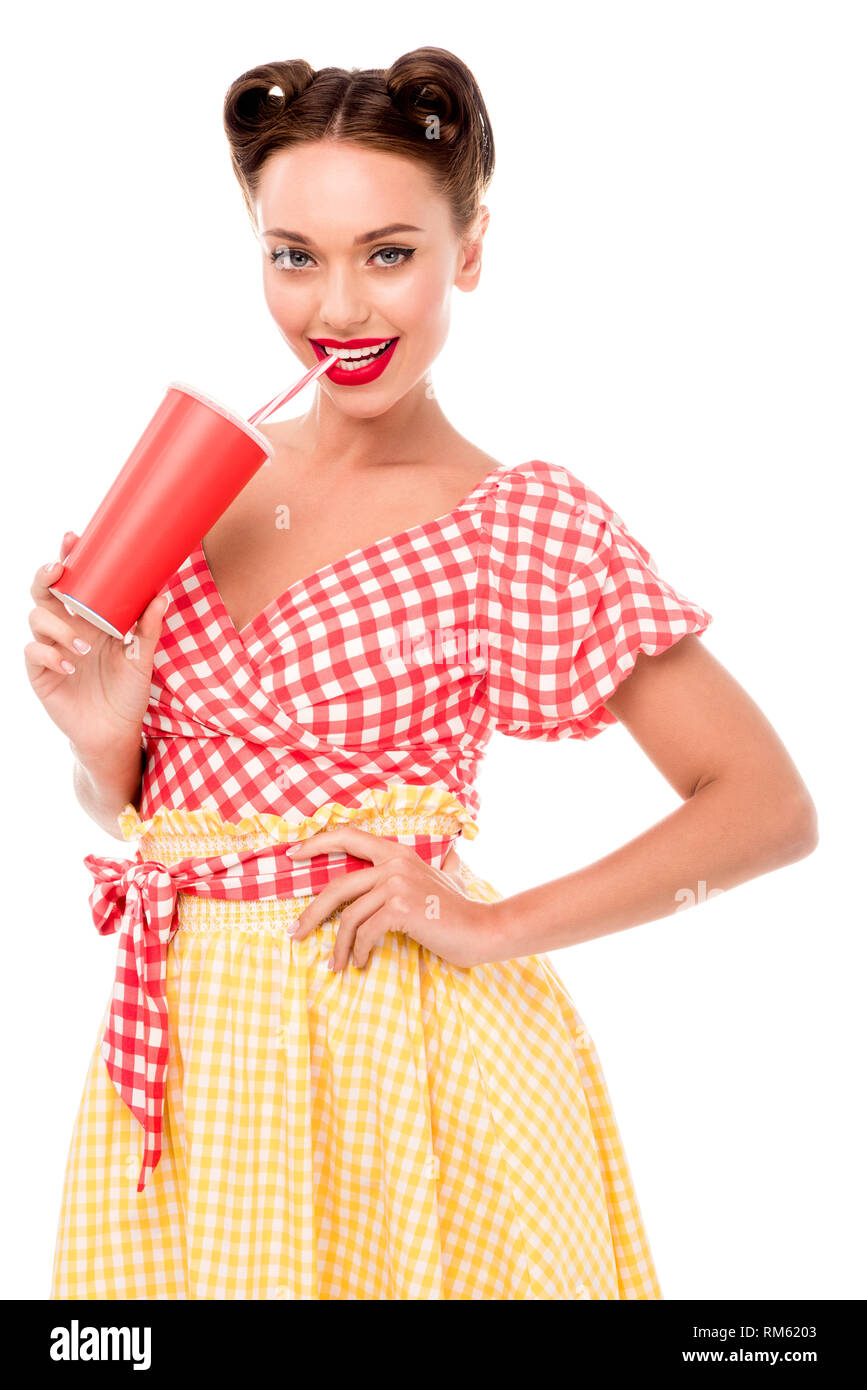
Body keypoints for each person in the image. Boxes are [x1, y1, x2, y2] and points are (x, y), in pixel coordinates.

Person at [28, 46, 818, 1301]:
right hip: (188, 1073)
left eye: (388, 253)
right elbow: (153, 810)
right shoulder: (186, 486)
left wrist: (493, 924)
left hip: (409, 1069)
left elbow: (767, 804)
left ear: (473, 249)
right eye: (296, 255)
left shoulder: (515, 522)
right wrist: (101, 740)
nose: (338, 309)